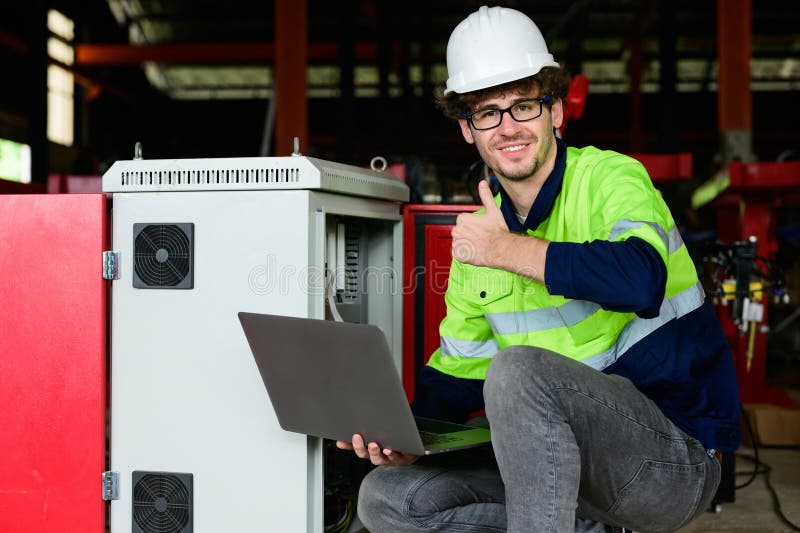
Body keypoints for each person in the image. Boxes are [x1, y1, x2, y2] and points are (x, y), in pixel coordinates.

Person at [337, 6, 741, 532]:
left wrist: (505, 250)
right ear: (468, 130)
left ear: (555, 112)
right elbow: (456, 380)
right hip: (562, 474)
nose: (508, 128)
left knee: (518, 371)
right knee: (389, 499)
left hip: (668, 462)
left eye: (523, 105)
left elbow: (640, 277)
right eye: (487, 112)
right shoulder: (480, 240)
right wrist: (402, 436)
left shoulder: (611, 178)